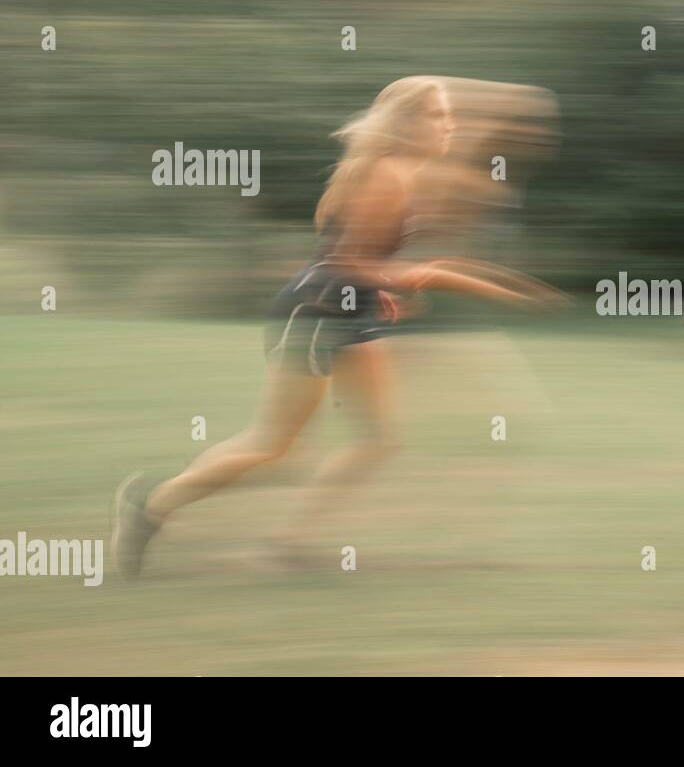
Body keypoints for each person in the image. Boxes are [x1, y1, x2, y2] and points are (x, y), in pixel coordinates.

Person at [111, 76, 565, 577]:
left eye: (450, 115)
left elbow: (355, 255)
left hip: (352, 316)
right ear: (408, 124)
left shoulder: (402, 173)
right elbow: (346, 259)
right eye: (439, 115)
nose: (450, 125)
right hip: (313, 316)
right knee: (273, 447)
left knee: (377, 440)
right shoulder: (387, 175)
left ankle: (287, 543)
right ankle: (150, 506)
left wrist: (383, 287)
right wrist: (468, 285)